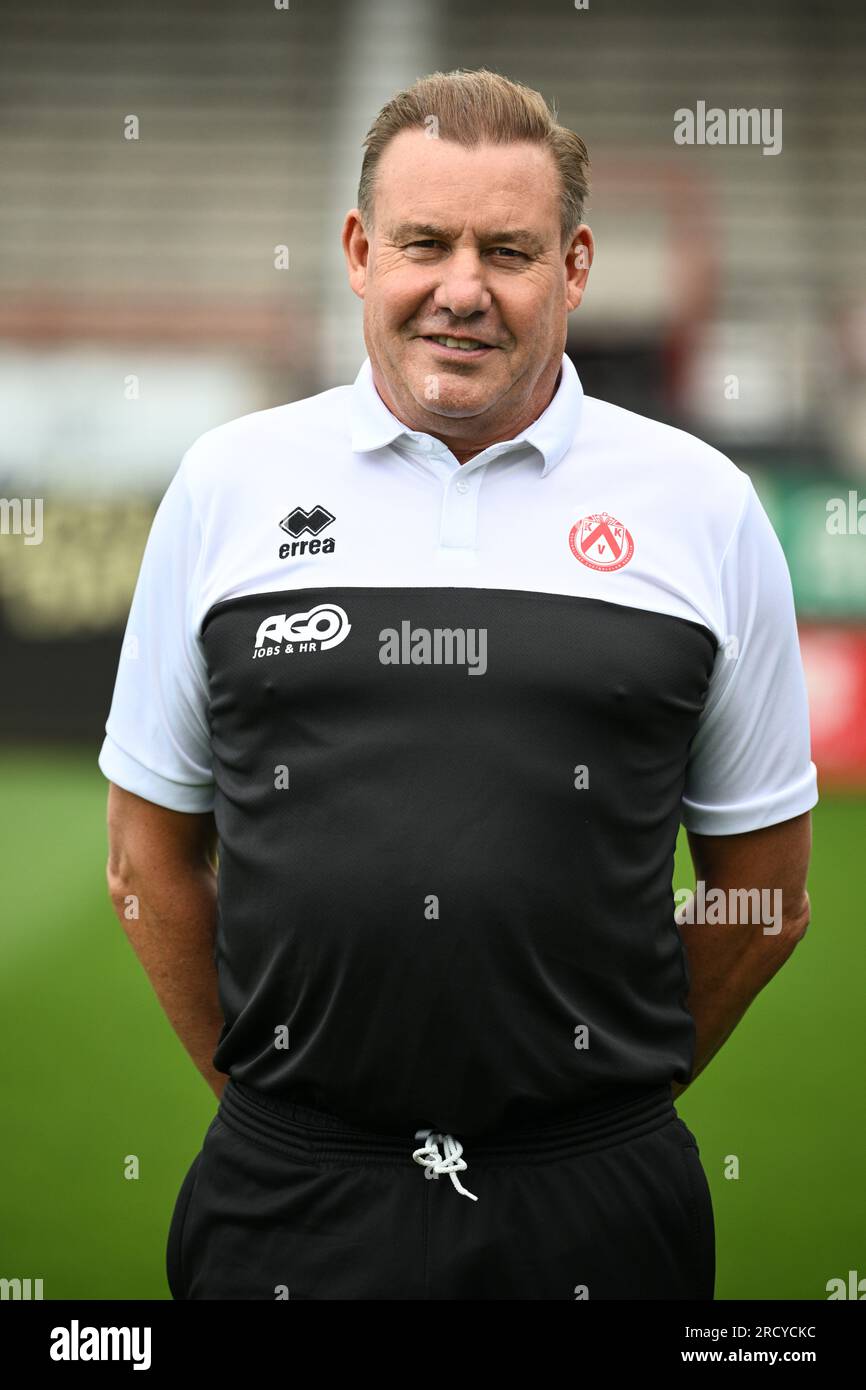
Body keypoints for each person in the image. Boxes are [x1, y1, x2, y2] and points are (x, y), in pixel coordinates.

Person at [99, 68, 817, 1301]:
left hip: (598, 1206)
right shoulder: (228, 483)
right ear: (357, 251)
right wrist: (277, 1104)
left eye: (509, 250)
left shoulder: (701, 504)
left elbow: (764, 894)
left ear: (576, 265)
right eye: (423, 243)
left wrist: (593, 1099)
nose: (461, 289)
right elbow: (146, 857)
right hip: (287, 1196)